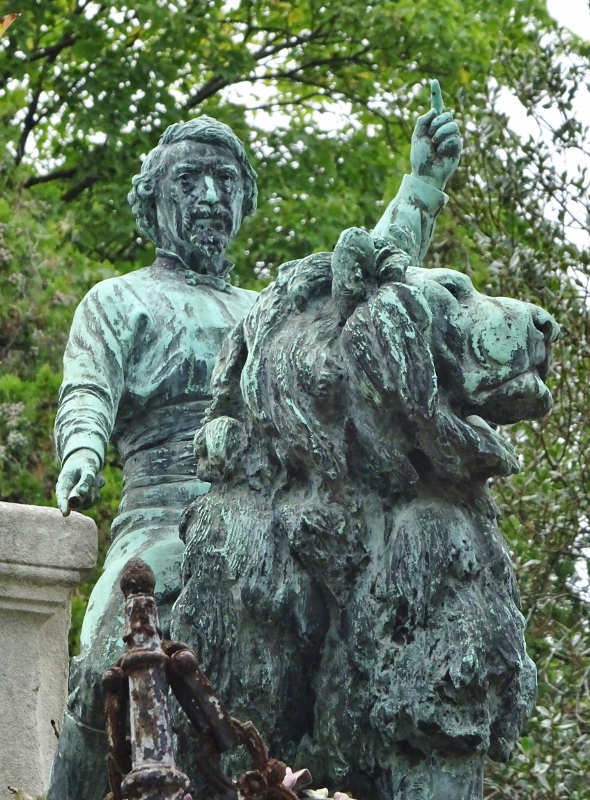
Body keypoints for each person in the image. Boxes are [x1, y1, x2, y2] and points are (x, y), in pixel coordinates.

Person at [47, 92, 461, 799]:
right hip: (163, 521)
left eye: (226, 182)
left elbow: (358, 292)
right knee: (111, 657)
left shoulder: (265, 308)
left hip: (280, 519)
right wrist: (82, 451)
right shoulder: (118, 301)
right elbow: (87, 391)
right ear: (152, 204)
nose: (210, 196)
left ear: (244, 201)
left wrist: (419, 187)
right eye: (189, 181)